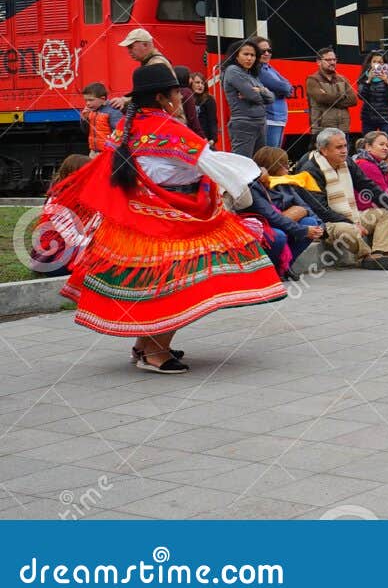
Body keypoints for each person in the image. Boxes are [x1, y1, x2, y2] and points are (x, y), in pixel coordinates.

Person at [50, 64, 283, 374]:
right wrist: (252, 172)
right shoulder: (167, 128)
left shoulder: (130, 125)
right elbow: (209, 162)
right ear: (162, 97)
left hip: (137, 217)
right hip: (169, 219)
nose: (180, 96)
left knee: (154, 283)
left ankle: (145, 345)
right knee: (178, 285)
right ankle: (155, 353)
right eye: (176, 92)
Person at [294, 129, 388, 269]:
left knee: (386, 214)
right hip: (328, 223)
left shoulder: (346, 162)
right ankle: (366, 257)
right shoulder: (310, 171)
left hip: (351, 217)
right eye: (339, 147)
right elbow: (321, 210)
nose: (344, 150)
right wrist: (351, 223)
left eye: (345, 146)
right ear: (324, 150)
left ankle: (382, 252)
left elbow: (367, 185)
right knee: (349, 230)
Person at [220, 39, 274, 156]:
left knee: (259, 163)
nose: (249, 58)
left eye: (253, 55)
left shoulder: (251, 75)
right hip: (244, 124)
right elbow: (254, 96)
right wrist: (260, 93)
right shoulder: (233, 70)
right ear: (236, 56)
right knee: (243, 165)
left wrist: (261, 91)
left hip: (260, 123)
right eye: (246, 54)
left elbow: (271, 99)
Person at [304, 47, 358, 135]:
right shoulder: (312, 80)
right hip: (322, 130)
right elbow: (321, 99)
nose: (332, 62)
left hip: (343, 129)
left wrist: (329, 98)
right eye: (328, 60)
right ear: (318, 62)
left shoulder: (343, 79)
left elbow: (353, 100)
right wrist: (342, 96)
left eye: (334, 59)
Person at [253, 38, 294, 150]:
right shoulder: (259, 69)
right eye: (262, 51)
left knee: (274, 155)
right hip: (270, 118)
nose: (266, 53)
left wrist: (284, 89)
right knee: (270, 156)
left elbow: (288, 87)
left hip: (279, 119)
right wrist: (284, 90)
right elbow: (284, 87)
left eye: (269, 51)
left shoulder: (270, 68)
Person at [357, 50, 388, 138]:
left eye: (380, 62)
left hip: (385, 118)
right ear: (370, 63)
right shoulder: (365, 76)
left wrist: (387, 82)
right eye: (374, 62)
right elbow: (361, 96)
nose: (377, 64)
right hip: (368, 118)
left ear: (384, 64)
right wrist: (368, 81)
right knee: (368, 142)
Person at [79, 82, 120, 155]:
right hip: (93, 151)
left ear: (103, 99)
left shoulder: (113, 111)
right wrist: (84, 119)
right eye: (86, 100)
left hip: (107, 152)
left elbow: (118, 134)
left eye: (91, 100)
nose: (87, 103)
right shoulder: (91, 111)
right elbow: (86, 131)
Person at [189, 71, 218, 144]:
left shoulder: (209, 99)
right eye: (197, 83)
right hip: (190, 137)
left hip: (205, 138)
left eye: (202, 83)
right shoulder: (187, 99)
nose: (200, 85)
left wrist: (213, 139)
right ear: (191, 84)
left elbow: (212, 120)